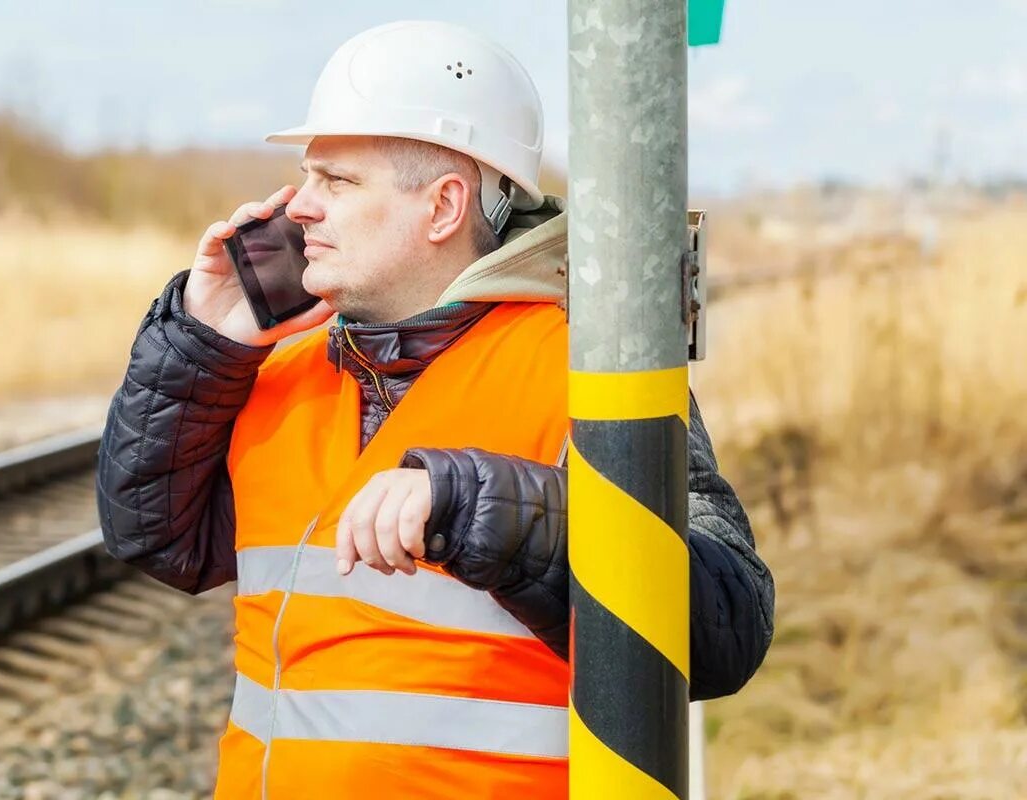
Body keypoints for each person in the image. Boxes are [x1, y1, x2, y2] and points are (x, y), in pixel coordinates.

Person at [96, 19, 774, 800]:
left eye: (337, 182)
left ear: (444, 206)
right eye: (306, 177)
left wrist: (486, 510)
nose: (298, 208)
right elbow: (159, 539)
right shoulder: (282, 366)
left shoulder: (585, 371)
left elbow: (725, 623)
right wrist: (199, 342)